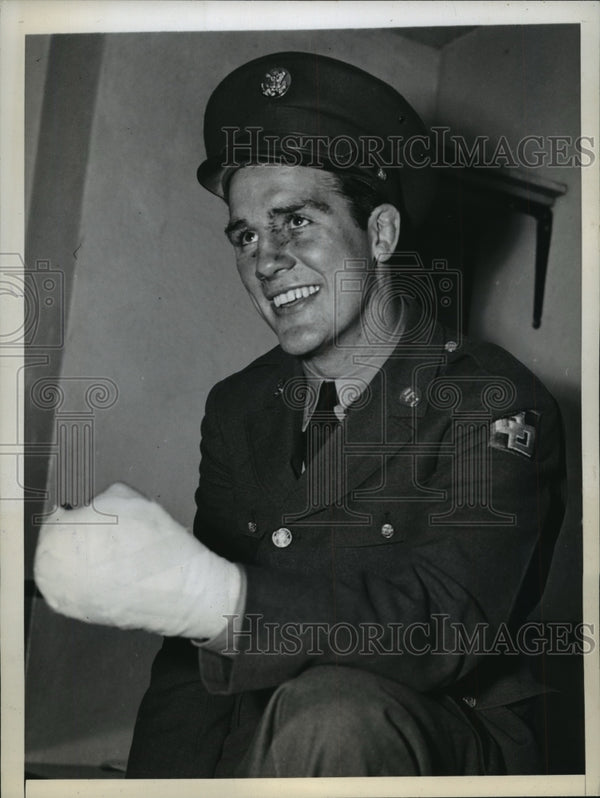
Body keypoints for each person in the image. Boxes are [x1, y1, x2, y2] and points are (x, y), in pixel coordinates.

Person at [34, 51, 566, 778]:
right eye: (247, 234)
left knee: (332, 714)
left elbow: (449, 624)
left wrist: (216, 597)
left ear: (380, 235)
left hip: (430, 740)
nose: (266, 258)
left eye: (296, 222)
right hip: (274, 730)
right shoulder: (240, 406)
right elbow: (193, 661)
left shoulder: (488, 398)